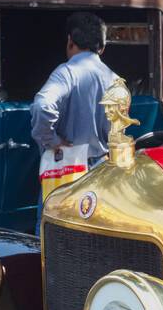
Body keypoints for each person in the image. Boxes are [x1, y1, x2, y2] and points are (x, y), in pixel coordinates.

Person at [30, 12, 117, 230]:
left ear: (70, 41)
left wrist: (52, 141)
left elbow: (43, 106)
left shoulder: (67, 73)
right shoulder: (115, 80)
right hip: (102, 173)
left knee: (54, 238)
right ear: (102, 47)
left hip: (66, 172)